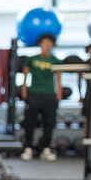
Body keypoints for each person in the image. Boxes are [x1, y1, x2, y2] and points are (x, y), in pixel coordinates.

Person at [21, 33, 61, 161]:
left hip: (49, 94)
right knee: (29, 122)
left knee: (49, 122)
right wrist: (24, 91)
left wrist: (58, 95)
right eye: (44, 43)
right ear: (40, 45)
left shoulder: (55, 61)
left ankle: (46, 149)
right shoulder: (31, 59)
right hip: (34, 93)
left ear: (52, 45)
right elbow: (25, 76)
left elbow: (58, 78)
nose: (46, 46)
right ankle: (28, 148)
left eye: (48, 44)